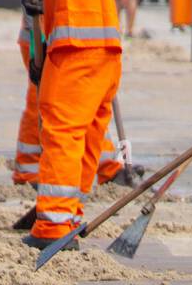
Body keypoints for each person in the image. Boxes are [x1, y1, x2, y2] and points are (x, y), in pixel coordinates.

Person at [21, 0, 124, 251]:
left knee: (62, 133)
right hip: (107, 47)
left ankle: (54, 225)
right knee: (88, 136)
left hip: (75, 46)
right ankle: (70, 216)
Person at [12, 19, 125, 190]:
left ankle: (107, 167)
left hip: (88, 43)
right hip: (56, 41)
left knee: (91, 107)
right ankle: (31, 171)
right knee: (49, 106)